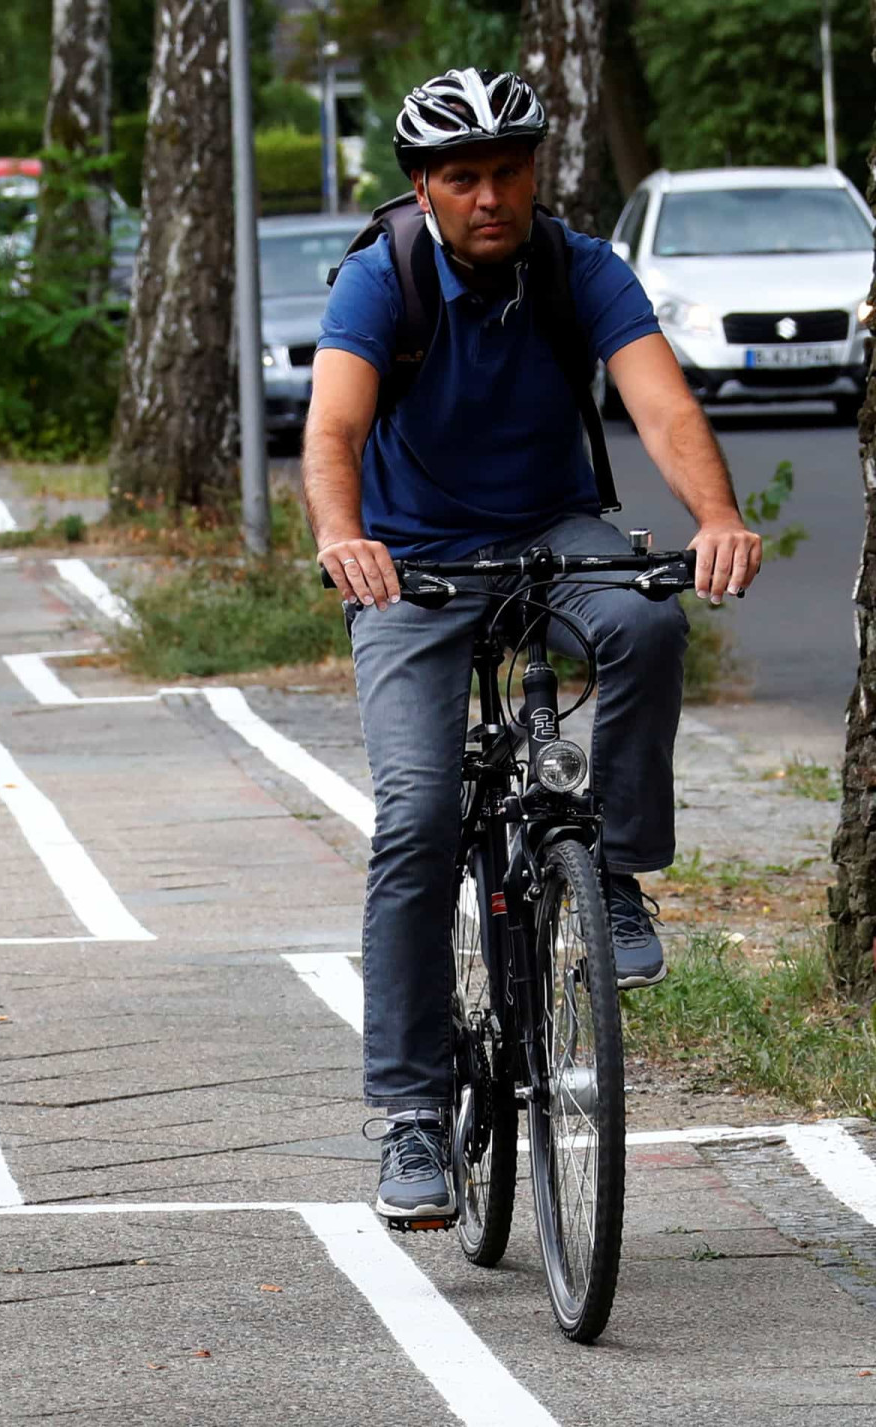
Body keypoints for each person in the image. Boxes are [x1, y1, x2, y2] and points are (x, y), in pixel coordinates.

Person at [304, 68, 763, 1226]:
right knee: (414, 814)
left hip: (554, 537)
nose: (490, 195)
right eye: (463, 176)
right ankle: (412, 1114)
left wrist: (715, 516)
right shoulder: (382, 277)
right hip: (412, 562)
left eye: (509, 170)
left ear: (534, 174)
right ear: (424, 186)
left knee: (647, 618)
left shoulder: (579, 267)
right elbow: (335, 428)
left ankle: (609, 873)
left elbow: (660, 406)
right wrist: (342, 537)